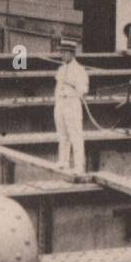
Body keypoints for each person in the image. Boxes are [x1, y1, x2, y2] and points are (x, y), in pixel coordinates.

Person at [53, 38, 89, 173]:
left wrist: (73, 88)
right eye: (61, 52)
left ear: (71, 53)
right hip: (60, 104)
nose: (62, 55)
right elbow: (58, 87)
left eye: (64, 52)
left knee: (75, 135)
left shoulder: (79, 70)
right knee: (62, 135)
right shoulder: (61, 69)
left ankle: (79, 166)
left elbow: (84, 89)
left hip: (72, 104)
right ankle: (63, 161)